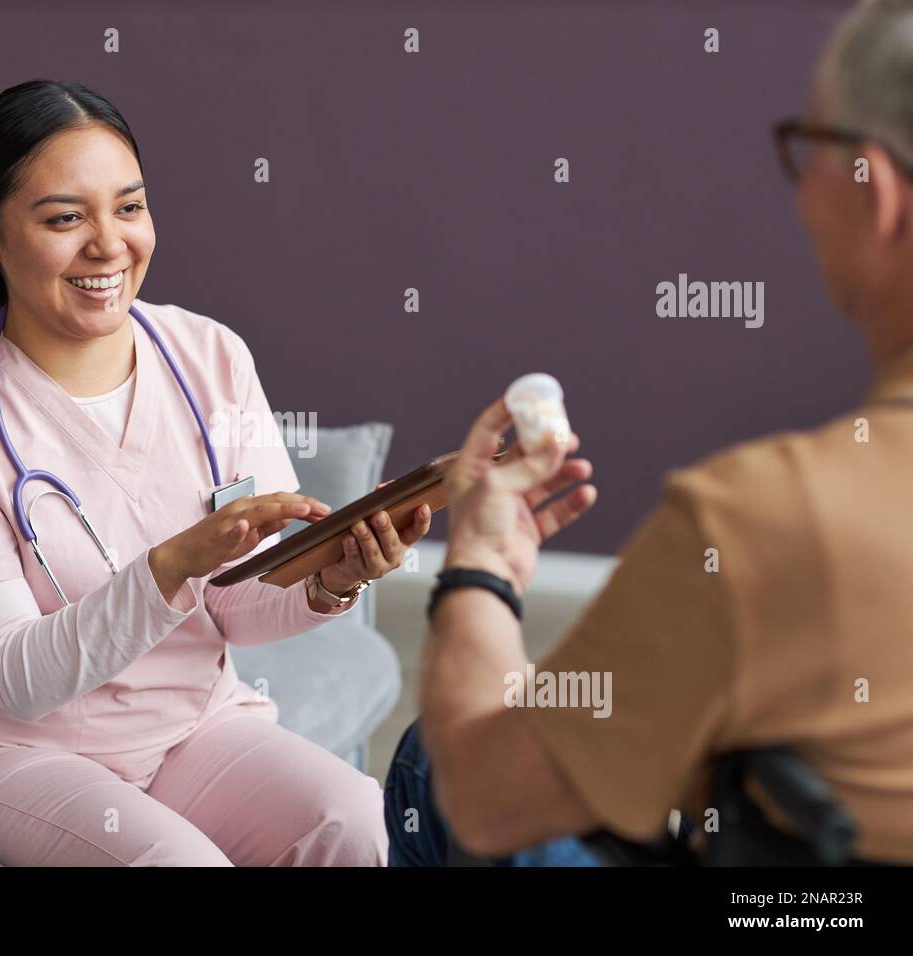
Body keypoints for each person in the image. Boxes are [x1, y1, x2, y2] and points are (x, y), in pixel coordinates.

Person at [387, 0, 913, 866]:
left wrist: (479, 561)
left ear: (876, 189)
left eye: (811, 149)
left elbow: (481, 796)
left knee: (428, 767)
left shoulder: (764, 520)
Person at [0, 79, 431, 866]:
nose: (108, 244)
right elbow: (16, 677)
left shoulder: (211, 359)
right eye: (65, 217)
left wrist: (328, 578)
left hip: (187, 725)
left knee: (359, 824)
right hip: (0, 750)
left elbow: (239, 612)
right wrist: (173, 564)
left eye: (128, 207)